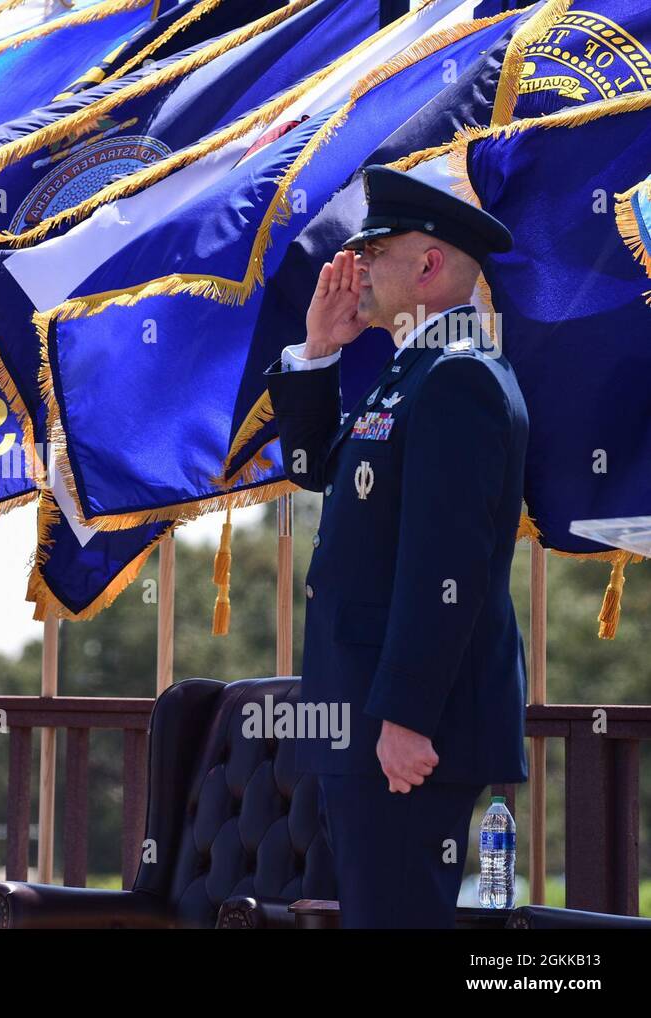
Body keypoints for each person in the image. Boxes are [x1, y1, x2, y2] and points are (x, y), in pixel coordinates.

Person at [262, 165, 530, 928]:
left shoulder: (459, 379)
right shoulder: (409, 375)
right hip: (363, 718)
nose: (359, 269)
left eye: (375, 252)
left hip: (408, 726)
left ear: (429, 265)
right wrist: (318, 349)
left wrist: (408, 715)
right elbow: (316, 470)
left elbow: (446, 567)